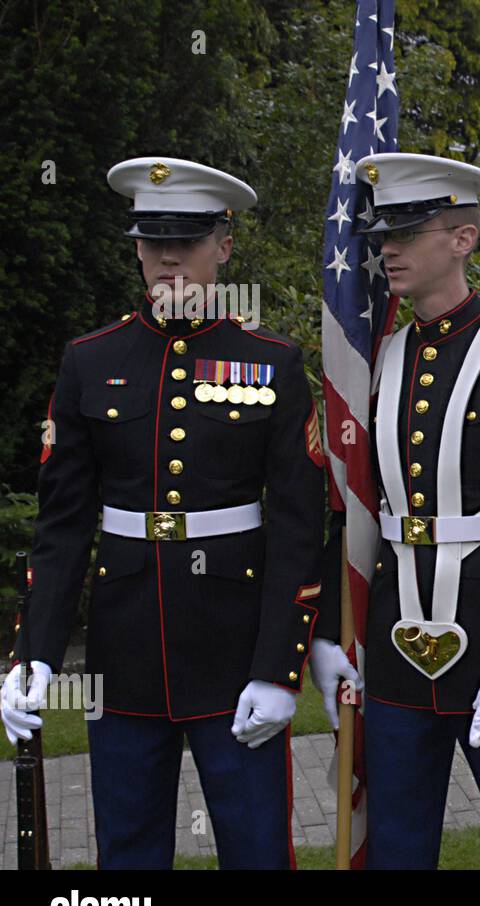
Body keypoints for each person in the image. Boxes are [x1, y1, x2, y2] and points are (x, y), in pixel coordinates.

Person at [0, 157, 324, 868]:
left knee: (257, 846)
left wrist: (279, 667)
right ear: (138, 248)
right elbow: (62, 527)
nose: (169, 256)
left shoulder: (270, 362)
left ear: (225, 246)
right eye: (154, 240)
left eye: (189, 238)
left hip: (234, 654)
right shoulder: (92, 360)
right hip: (124, 653)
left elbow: (300, 527)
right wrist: (36, 655)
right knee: (127, 853)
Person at [311, 153, 480, 869]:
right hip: (395, 645)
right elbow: (353, 512)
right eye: (381, 237)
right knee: (399, 845)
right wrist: (329, 630)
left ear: (462, 239)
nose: (387, 249)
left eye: (408, 232)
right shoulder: (376, 362)